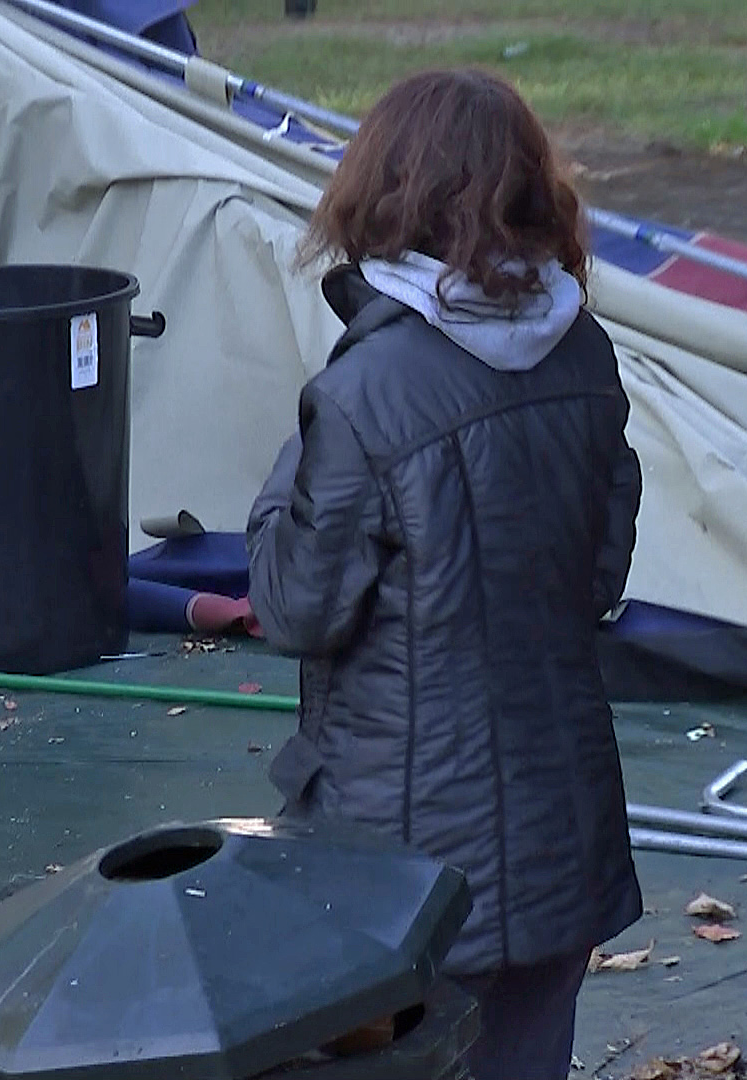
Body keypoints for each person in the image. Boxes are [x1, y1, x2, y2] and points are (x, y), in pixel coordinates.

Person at [246, 68, 643, 1080]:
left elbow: (296, 607)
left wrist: (278, 490)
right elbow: (598, 574)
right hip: (565, 828)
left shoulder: (363, 392)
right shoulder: (585, 354)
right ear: (526, 191)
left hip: (405, 859)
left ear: (382, 191)